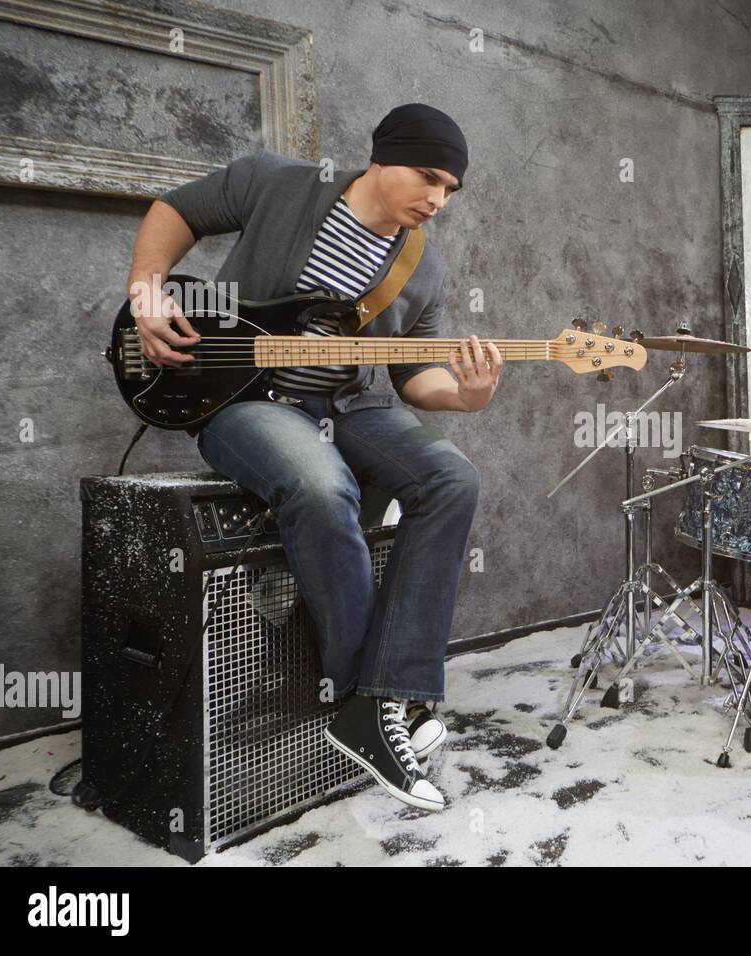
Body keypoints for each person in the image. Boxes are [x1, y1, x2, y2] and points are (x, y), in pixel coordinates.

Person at [124, 104, 500, 812]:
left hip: (354, 408)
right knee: (323, 489)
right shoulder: (277, 183)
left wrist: (470, 397)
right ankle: (376, 704)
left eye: (451, 190)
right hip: (241, 402)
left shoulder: (423, 270)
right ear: (384, 158)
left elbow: (416, 379)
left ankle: (378, 700)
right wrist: (147, 292)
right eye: (429, 178)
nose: (439, 200)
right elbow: (174, 211)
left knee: (452, 477)